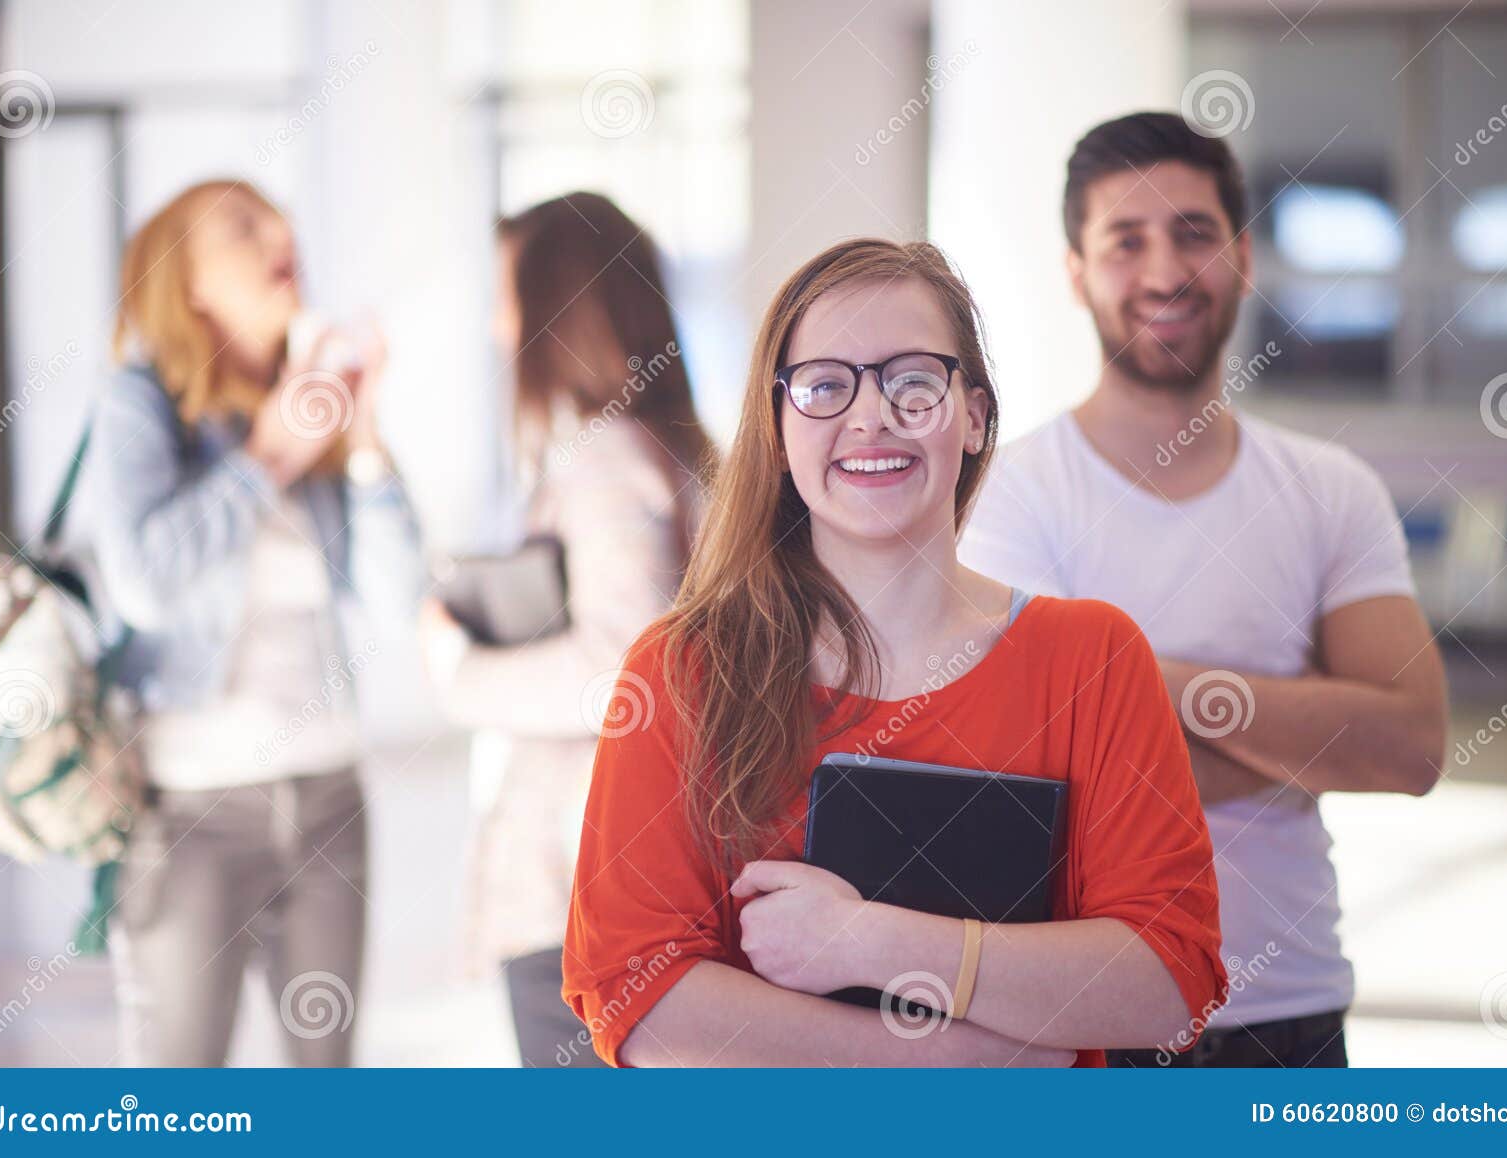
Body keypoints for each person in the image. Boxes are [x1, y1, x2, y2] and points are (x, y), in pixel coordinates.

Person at [561, 238, 1227, 1067]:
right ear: (777, 426)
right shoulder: (682, 671)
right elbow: (637, 998)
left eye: (912, 381)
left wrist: (867, 942)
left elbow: (1167, 982)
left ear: (976, 415)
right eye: (824, 386)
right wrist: (958, 1061)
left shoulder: (1091, 656)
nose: (869, 417)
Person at [961, 112, 1450, 1067]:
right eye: (1125, 240)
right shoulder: (1008, 495)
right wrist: (1305, 735)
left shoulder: (1328, 488)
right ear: (1075, 272)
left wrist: (1123, 681)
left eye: (1193, 232)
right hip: (1077, 1010)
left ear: (1244, 255)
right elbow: (1026, 777)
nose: (1163, 271)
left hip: (1287, 1004)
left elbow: (1410, 744)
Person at [84, 179, 423, 1066]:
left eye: (282, 217)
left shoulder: (309, 405)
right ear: (185, 280)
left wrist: (366, 432)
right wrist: (269, 455)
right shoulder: (141, 403)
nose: (280, 232)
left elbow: (395, 597)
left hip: (329, 798)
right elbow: (146, 584)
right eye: (242, 227)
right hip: (192, 809)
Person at [418, 193, 710, 1067]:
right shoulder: (675, 452)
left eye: (508, 297)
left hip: (581, 879)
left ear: (556, 308)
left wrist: (458, 668)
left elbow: (620, 670)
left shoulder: (603, 461)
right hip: (637, 864)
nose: (496, 327)